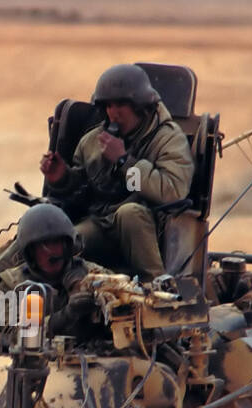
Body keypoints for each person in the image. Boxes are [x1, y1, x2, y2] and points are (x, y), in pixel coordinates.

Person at [41, 63, 193, 279]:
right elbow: (83, 192)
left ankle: (157, 286)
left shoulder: (167, 139)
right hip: (102, 222)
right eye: (108, 106)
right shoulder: (93, 142)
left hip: (146, 228)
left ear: (140, 106)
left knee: (129, 213)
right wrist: (62, 178)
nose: (114, 113)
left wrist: (124, 162)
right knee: (62, 243)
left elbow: (172, 190)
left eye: (121, 105)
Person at [0, 204, 107, 339]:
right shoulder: (13, 284)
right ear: (30, 252)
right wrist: (66, 315)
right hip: (38, 357)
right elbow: (15, 334)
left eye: (57, 243)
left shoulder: (92, 273)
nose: (53, 252)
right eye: (44, 246)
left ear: (68, 245)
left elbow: (128, 296)